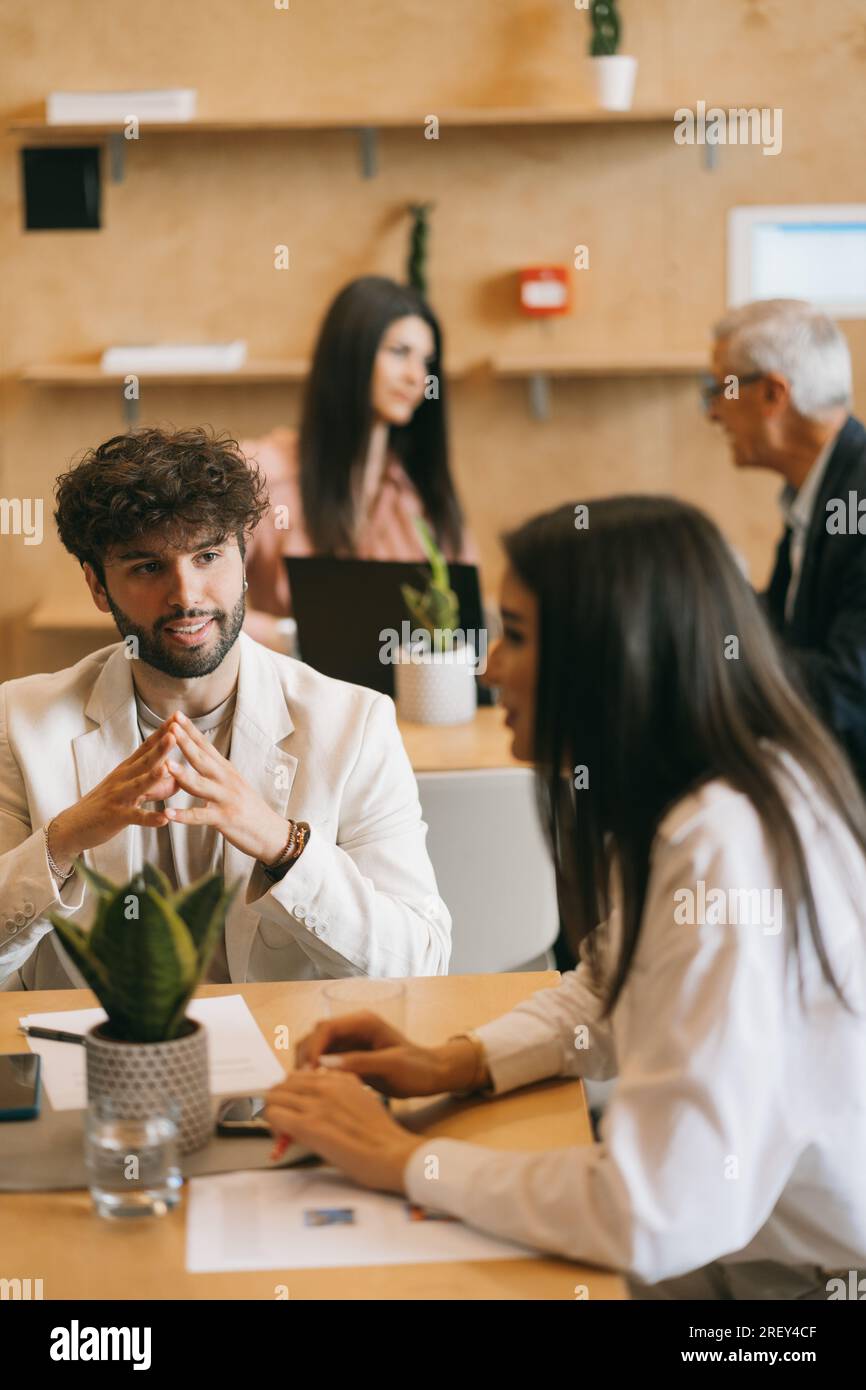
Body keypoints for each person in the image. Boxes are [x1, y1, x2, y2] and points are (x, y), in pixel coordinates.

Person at [265, 497, 866, 1299]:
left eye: (514, 634)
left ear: (610, 654)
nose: (489, 668)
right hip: (759, 1249)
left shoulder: (721, 846)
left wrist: (404, 1159)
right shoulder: (707, 794)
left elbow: (647, 1213)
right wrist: (456, 1059)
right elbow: (610, 983)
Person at [0, 427, 450, 990]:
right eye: (146, 567)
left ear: (243, 557)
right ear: (97, 584)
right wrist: (63, 840)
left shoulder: (354, 724)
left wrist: (283, 846)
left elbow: (421, 965)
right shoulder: (19, 720)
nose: (186, 595)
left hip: (288, 1068)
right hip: (94, 1070)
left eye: (207, 555)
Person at [241, 275, 478, 650]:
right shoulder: (262, 473)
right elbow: (199, 605)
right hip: (296, 695)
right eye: (400, 352)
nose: (418, 377)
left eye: (426, 361)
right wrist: (293, 638)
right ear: (349, 355)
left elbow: (465, 618)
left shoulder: (421, 487)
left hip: (408, 702)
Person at [706, 297, 866, 791]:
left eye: (722, 388)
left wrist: (710, 659)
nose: (713, 411)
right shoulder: (816, 493)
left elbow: (847, 690)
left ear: (773, 393)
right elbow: (781, 632)